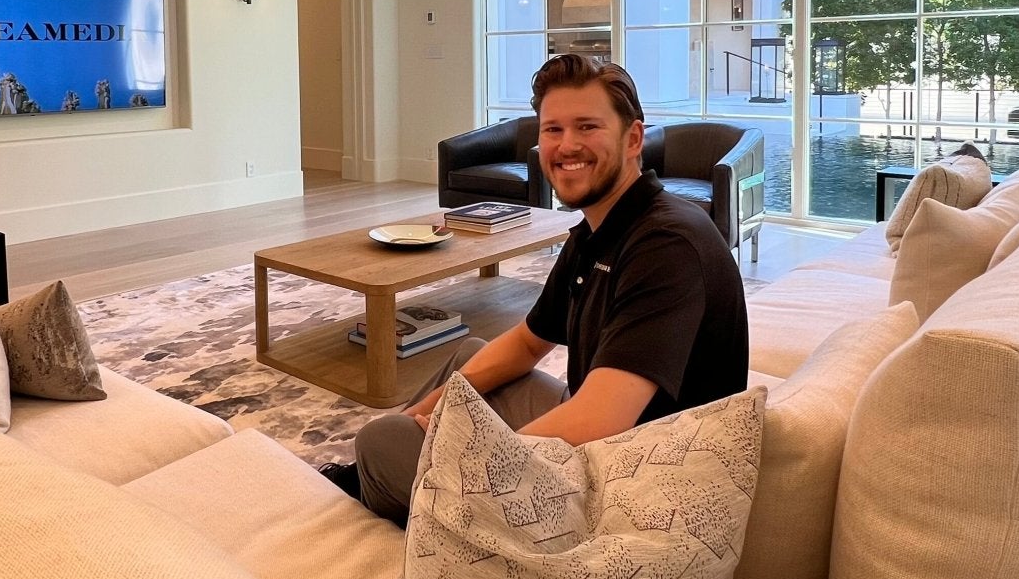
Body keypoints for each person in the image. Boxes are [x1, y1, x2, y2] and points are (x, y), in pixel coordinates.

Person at [320, 54, 749, 524]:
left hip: (639, 477)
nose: (567, 146)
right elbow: (528, 343)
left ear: (633, 139)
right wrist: (422, 415)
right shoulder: (599, 230)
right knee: (468, 365)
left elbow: (601, 418)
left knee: (380, 443)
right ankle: (381, 481)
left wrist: (479, 455)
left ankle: (402, 503)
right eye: (553, 130)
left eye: (587, 127)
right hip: (605, 436)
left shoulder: (666, 244)